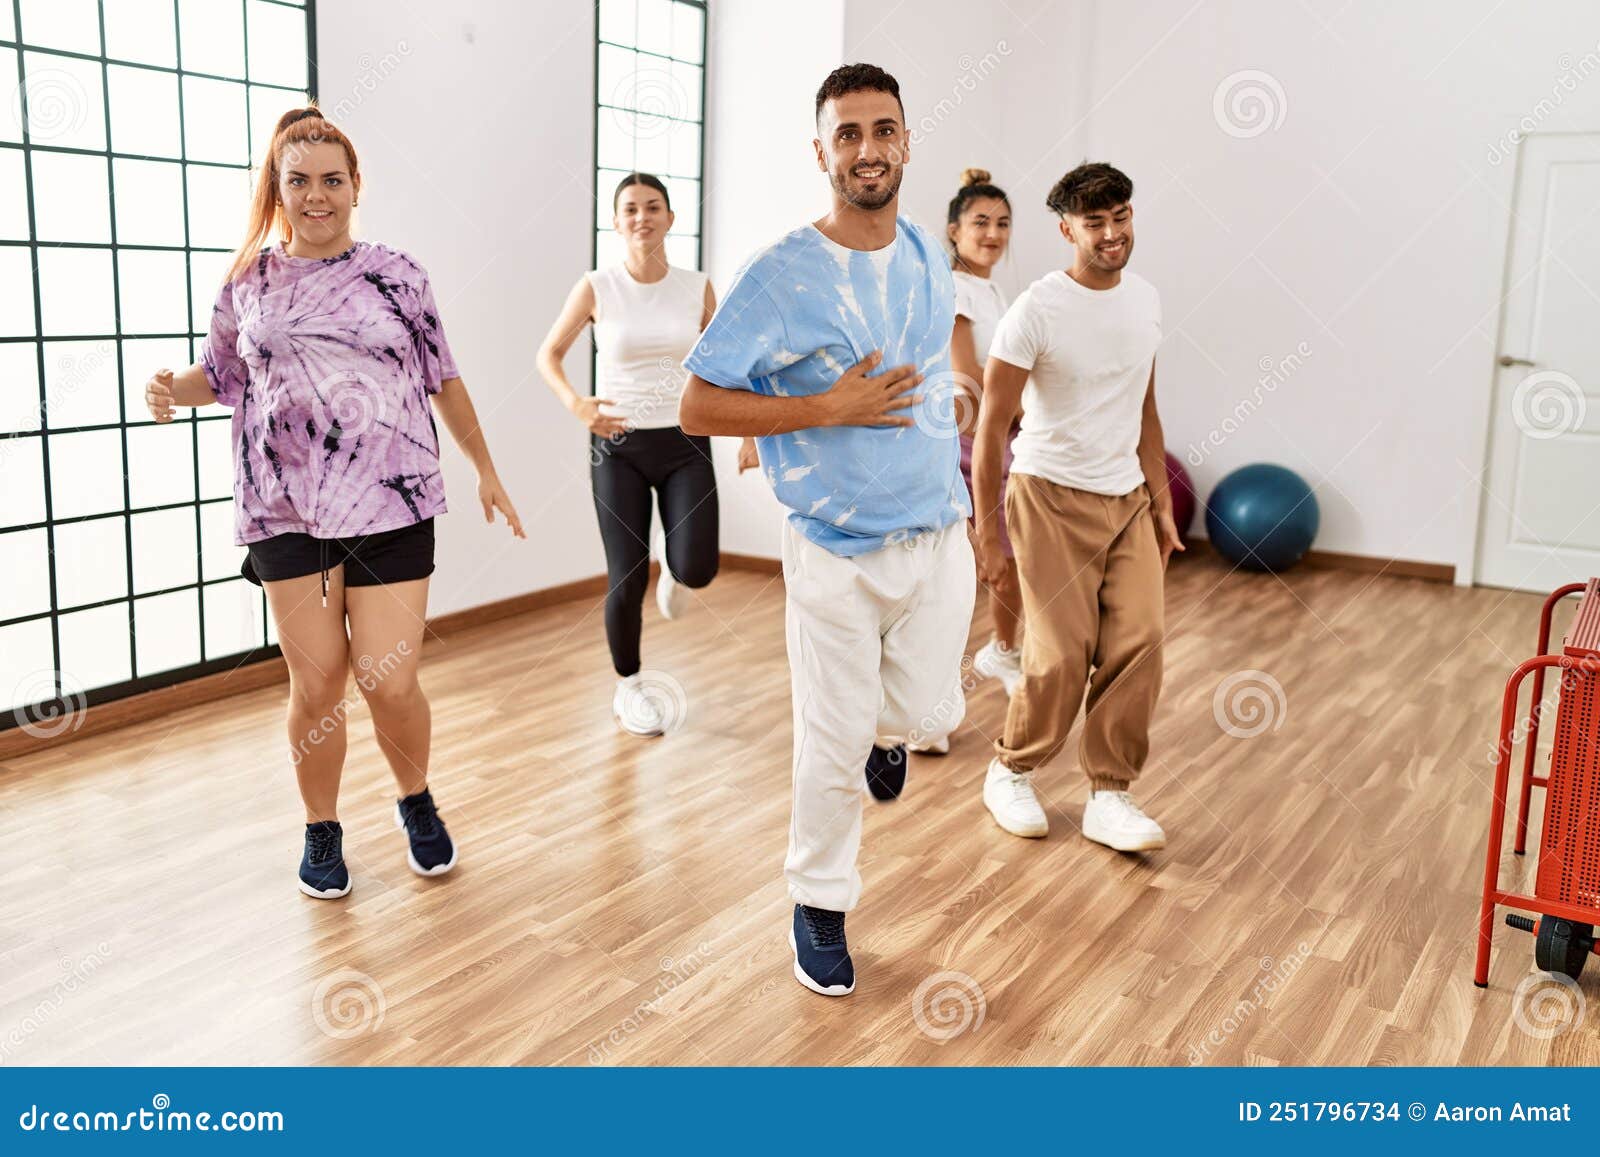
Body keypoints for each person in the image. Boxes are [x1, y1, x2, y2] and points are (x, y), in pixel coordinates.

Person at [142, 107, 524, 899]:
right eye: (299, 181)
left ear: (355, 188)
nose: (317, 195)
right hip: (289, 513)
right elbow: (220, 375)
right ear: (277, 191)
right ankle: (322, 826)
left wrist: (484, 465)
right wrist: (167, 387)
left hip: (393, 503)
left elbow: (442, 377)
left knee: (389, 682)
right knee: (317, 688)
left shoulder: (399, 274)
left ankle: (415, 798)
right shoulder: (247, 279)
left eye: (332, 180)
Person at [679, 64, 974, 997]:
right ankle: (819, 902)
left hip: (937, 530)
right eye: (847, 134)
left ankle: (886, 736)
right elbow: (694, 405)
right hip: (833, 550)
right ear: (822, 153)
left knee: (928, 713)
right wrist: (823, 406)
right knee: (831, 741)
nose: (868, 149)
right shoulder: (780, 274)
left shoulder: (930, 253)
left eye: (883, 129)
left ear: (906, 142)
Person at [971, 161, 1182, 848]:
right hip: (1047, 495)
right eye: (1096, 223)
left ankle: (1110, 793)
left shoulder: (1145, 298)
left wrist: (1159, 501)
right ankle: (1012, 768)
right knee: (1061, 651)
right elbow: (992, 428)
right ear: (1067, 229)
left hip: (1124, 496)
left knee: (1141, 639)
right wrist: (989, 536)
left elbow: (1144, 408)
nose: (1113, 233)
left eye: (1121, 217)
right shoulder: (1035, 309)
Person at [537, 173, 749, 736]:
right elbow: (548, 355)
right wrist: (577, 405)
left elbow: (727, 362)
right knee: (625, 575)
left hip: (684, 441)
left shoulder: (697, 286)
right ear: (617, 221)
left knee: (699, 568)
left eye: (652, 207)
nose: (641, 217)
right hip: (618, 446)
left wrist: (751, 431)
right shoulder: (597, 287)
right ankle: (630, 687)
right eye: (629, 208)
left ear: (671, 218)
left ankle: (676, 574)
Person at [945, 167, 1025, 705]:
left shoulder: (993, 289)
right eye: (980, 223)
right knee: (962, 566)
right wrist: (1020, 407)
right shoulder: (954, 288)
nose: (992, 233)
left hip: (1000, 436)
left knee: (1009, 554)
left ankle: (1001, 648)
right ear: (954, 230)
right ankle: (937, 689)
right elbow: (966, 379)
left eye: (1002, 223)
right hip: (962, 442)